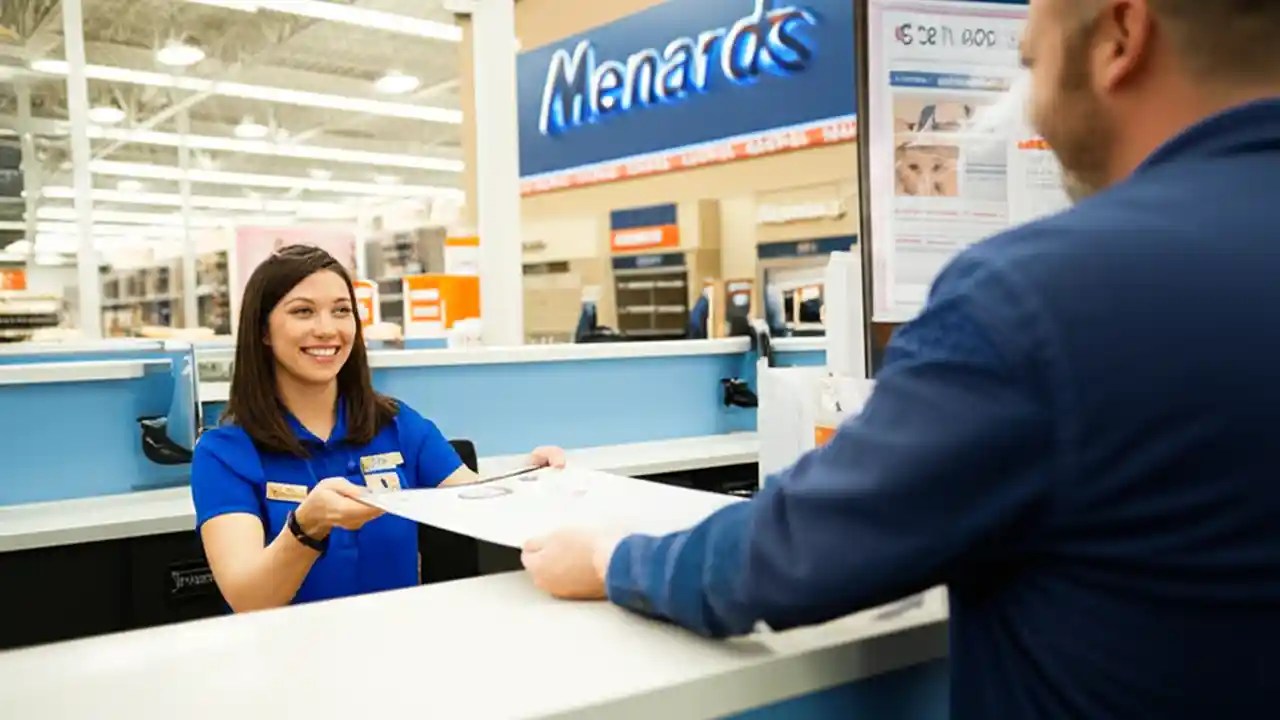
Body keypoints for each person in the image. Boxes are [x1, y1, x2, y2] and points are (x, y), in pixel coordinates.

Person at [521, 1, 1280, 717]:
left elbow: (793, 553)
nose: (1033, 102)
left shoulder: (1040, 295)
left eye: (1031, 59)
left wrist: (613, 558)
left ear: (1120, 33)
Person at [192, 245, 565, 612]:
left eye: (341, 311)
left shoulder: (397, 425)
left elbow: (478, 502)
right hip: (288, 661)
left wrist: (530, 478)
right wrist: (307, 526)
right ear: (263, 331)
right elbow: (249, 598)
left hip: (395, 651)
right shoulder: (224, 453)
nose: (327, 329)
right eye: (303, 312)